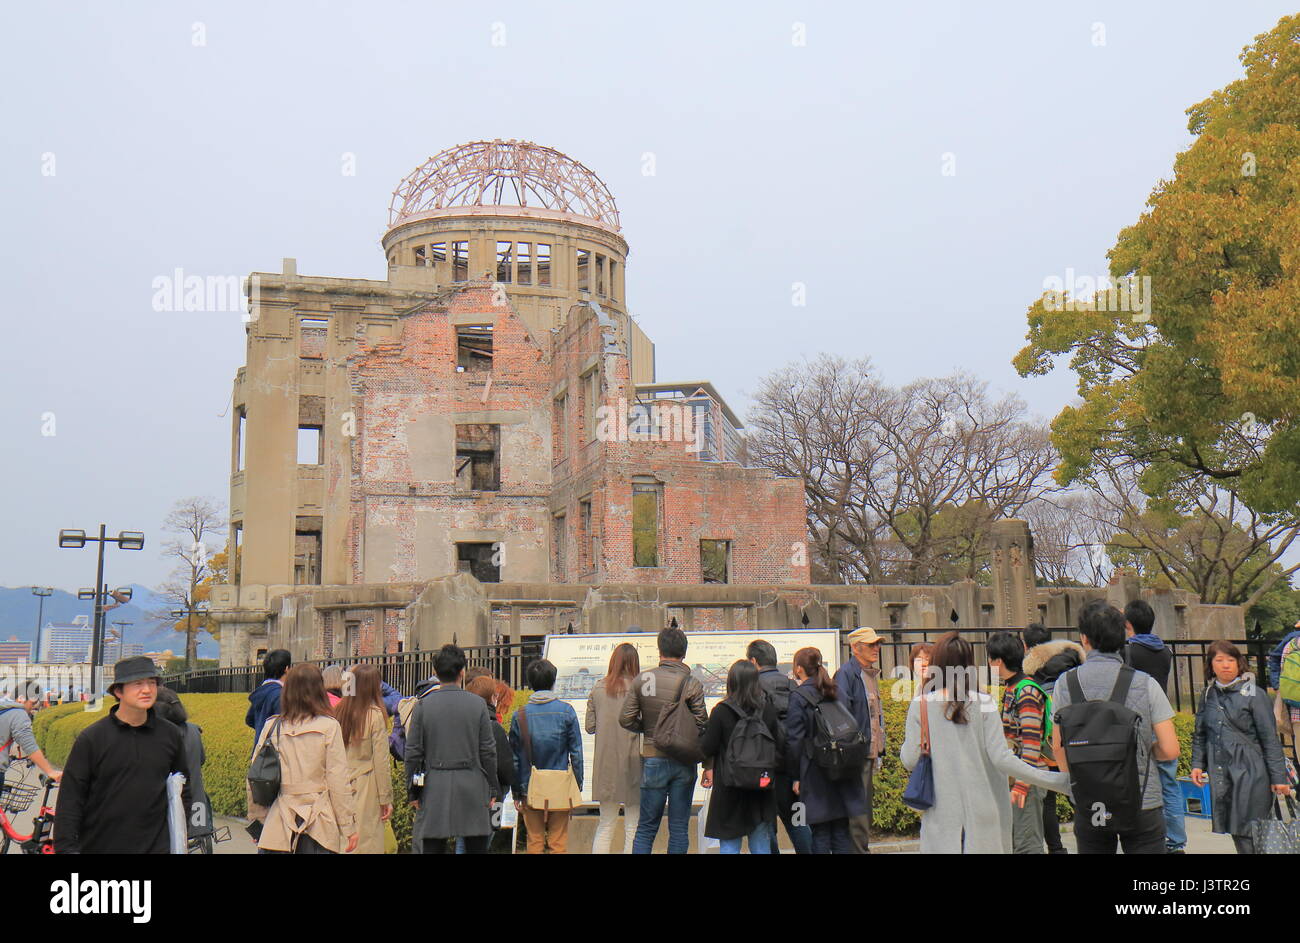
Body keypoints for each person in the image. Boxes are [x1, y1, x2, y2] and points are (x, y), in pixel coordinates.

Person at [901, 633, 1067, 853]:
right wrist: (1057, 780)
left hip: (942, 814)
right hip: (984, 811)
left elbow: (911, 760)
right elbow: (1001, 757)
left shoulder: (921, 705)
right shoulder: (985, 702)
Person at [1050, 602, 1181, 854]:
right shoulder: (1145, 684)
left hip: (1090, 801)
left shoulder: (1065, 684)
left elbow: (1058, 747)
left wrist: (1079, 775)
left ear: (1084, 638)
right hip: (1142, 800)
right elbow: (1171, 749)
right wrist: (1144, 752)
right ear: (1123, 637)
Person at [54, 657, 191, 854]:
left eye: (152, 683)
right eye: (138, 684)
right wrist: (66, 848)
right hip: (100, 846)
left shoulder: (170, 734)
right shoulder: (93, 738)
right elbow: (71, 798)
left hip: (156, 847)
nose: (147, 690)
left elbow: (185, 787)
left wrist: (181, 835)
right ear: (119, 691)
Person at [1191, 640, 1293, 854]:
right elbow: (1201, 733)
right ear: (1211, 664)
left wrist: (1278, 778)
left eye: (1231, 659)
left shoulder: (1255, 695)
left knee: (1251, 830)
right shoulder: (1208, 695)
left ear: (1239, 664)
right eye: (1219, 660)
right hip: (1223, 773)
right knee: (1237, 829)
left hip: (1252, 773)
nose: (1225, 665)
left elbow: (1269, 739)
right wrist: (1197, 764)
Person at [249, 663, 357, 854]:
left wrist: (258, 819)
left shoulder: (273, 726)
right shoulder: (329, 726)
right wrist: (348, 827)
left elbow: (256, 776)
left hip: (280, 820)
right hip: (319, 821)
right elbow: (338, 780)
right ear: (319, 690)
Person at [621, 626, 708, 854]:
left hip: (653, 757)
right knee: (679, 828)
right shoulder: (692, 683)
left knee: (646, 828)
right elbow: (702, 723)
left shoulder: (643, 678)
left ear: (660, 651)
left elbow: (625, 718)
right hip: (684, 760)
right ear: (684, 653)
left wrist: (651, 730)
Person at [404, 644, 499, 854]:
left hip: (434, 785)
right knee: (476, 847)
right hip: (473, 784)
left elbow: (413, 752)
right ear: (462, 672)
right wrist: (493, 786)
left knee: (432, 847)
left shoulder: (423, 706)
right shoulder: (477, 705)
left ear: (436, 673)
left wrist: (412, 790)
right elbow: (488, 751)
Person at [786, 646, 866, 854]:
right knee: (841, 830)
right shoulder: (835, 689)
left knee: (820, 832)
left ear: (798, 669)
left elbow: (794, 740)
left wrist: (796, 776)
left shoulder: (799, 696)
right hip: (844, 765)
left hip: (815, 770)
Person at [1122, 599, 1185, 853]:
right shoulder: (1164, 651)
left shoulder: (1127, 652)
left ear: (1128, 624)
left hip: (1137, 724)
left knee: (1138, 783)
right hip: (1162, 720)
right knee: (1169, 784)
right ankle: (1177, 842)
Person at [701, 659, 783, 853]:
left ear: (731, 682)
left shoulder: (721, 711)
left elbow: (707, 747)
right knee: (761, 843)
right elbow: (779, 746)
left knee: (729, 844)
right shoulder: (768, 711)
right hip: (761, 788)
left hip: (729, 787)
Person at [510, 658, 583, 854]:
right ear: (553, 681)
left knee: (534, 842)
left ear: (530, 683)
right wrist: (578, 783)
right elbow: (576, 753)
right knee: (558, 844)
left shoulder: (520, 715)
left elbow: (515, 758)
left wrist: (517, 792)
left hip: (529, 787)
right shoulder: (566, 712)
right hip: (560, 785)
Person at [748, 638, 813, 854]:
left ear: (754, 661)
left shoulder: (752, 688)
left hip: (765, 768)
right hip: (794, 768)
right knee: (798, 820)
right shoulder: (793, 685)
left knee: (766, 824)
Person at [988, 631, 1050, 854]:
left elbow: (1032, 742)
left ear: (998, 661)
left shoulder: (1026, 691)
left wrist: (1023, 784)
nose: (988, 664)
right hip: (1016, 779)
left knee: (1027, 846)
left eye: (990, 659)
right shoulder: (1012, 688)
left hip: (1026, 782)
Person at [1023, 625, 1083, 855]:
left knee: (1048, 800)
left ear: (1028, 646)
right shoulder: (1074, 661)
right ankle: (1089, 840)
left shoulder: (1032, 671)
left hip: (1047, 745)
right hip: (1073, 742)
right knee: (1077, 794)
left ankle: (1056, 849)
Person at [585, 642, 643, 853]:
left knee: (606, 823)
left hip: (605, 764)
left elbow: (590, 727)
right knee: (633, 826)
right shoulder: (640, 689)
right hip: (634, 762)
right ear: (634, 663)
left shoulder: (598, 688)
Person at [334, 664, 393, 854]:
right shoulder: (374, 715)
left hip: (339, 783)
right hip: (366, 785)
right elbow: (381, 761)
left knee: (342, 840)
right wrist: (386, 798)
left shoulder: (338, 711)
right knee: (366, 842)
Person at [834, 626, 883, 853]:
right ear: (855, 648)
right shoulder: (846, 674)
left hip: (867, 754)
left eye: (877, 644)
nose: (876, 648)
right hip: (856, 755)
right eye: (871, 644)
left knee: (863, 809)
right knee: (857, 811)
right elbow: (841, 716)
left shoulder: (867, 673)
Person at [154, 686, 212, 844]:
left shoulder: (158, 734)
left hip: (168, 807)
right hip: (196, 803)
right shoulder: (194, 730)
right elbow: (201, 759)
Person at [467, 675, 517, 852]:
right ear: (492, 698)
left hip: (464, 795)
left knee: (462, 840)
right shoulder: (494, 727)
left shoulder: (463, 724)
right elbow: (505, 767)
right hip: (493, 797)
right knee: (485, 841)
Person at [0, 681, 62, 783]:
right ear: (22, 698)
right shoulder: (18, 713)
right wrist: (50, 771)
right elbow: (28, 743)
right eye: (33, 703)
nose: (32, 708)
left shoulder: (3, 708)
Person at [246, 649, 291, 747]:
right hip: (275, 752)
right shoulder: (280, 694)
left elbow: (249, 719)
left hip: (260, 750)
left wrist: (261, 727)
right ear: (286, 669)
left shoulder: (261, 691)